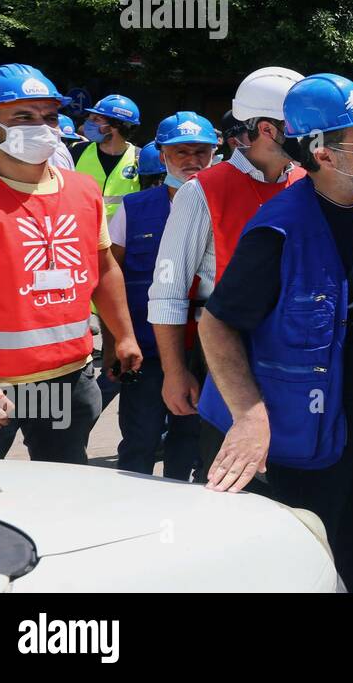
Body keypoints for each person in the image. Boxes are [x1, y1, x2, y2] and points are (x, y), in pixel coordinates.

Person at [197, 74, 353, 593]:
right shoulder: (278, 229)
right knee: (298, 561)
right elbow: (216, 323)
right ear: (324, 154)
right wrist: (248, 415)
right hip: (296, 438)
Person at [0, 64, 142, 461]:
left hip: (67, 379)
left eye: (48, 116)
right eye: (24, 117)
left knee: (63, 492)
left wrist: (122, 335)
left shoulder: (83, 190)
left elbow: (104, 268)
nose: (42, 127)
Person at [148, 67, 306, 451]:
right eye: (299, 123)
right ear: (267, 128)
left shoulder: (305, 181)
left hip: (295, 350)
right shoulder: (201, 191)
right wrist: (174, 371)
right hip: (226, 354)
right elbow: (168, 291)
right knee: (229, 468)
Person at [109, 112, 216, 479]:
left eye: (202, 151)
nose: (193, 161)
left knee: (189, 438)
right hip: (147, 351)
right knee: (140, 439)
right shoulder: (133, 208)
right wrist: (114, 341)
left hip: (205, 350)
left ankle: (177, 516)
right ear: (162, 154)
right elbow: (112, 277)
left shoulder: (223, 203)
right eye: (181, 152)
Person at [72, 93, 142, 218]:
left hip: (121, 234)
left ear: (116, 125)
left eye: (96, 119)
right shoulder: (77, 151)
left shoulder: (140, 158)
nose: (88, 123)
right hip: (81, 228)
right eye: (90, 118)